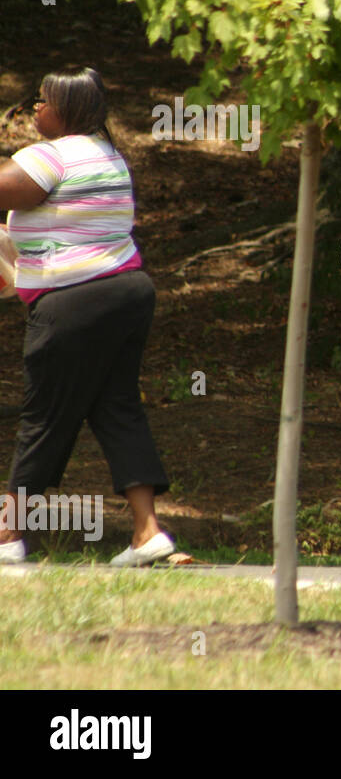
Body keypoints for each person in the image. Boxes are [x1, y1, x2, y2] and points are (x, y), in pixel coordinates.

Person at [0, 67, 174, 567]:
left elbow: (13, 190)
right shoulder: (110, 156)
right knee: (116, 408)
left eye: (43, 100)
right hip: (128, 292)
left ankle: (9, 534)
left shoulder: (52, 156)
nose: (34, 108)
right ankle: (147, 532)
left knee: (45, 415)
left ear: (68, 110)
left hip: (74, 301)